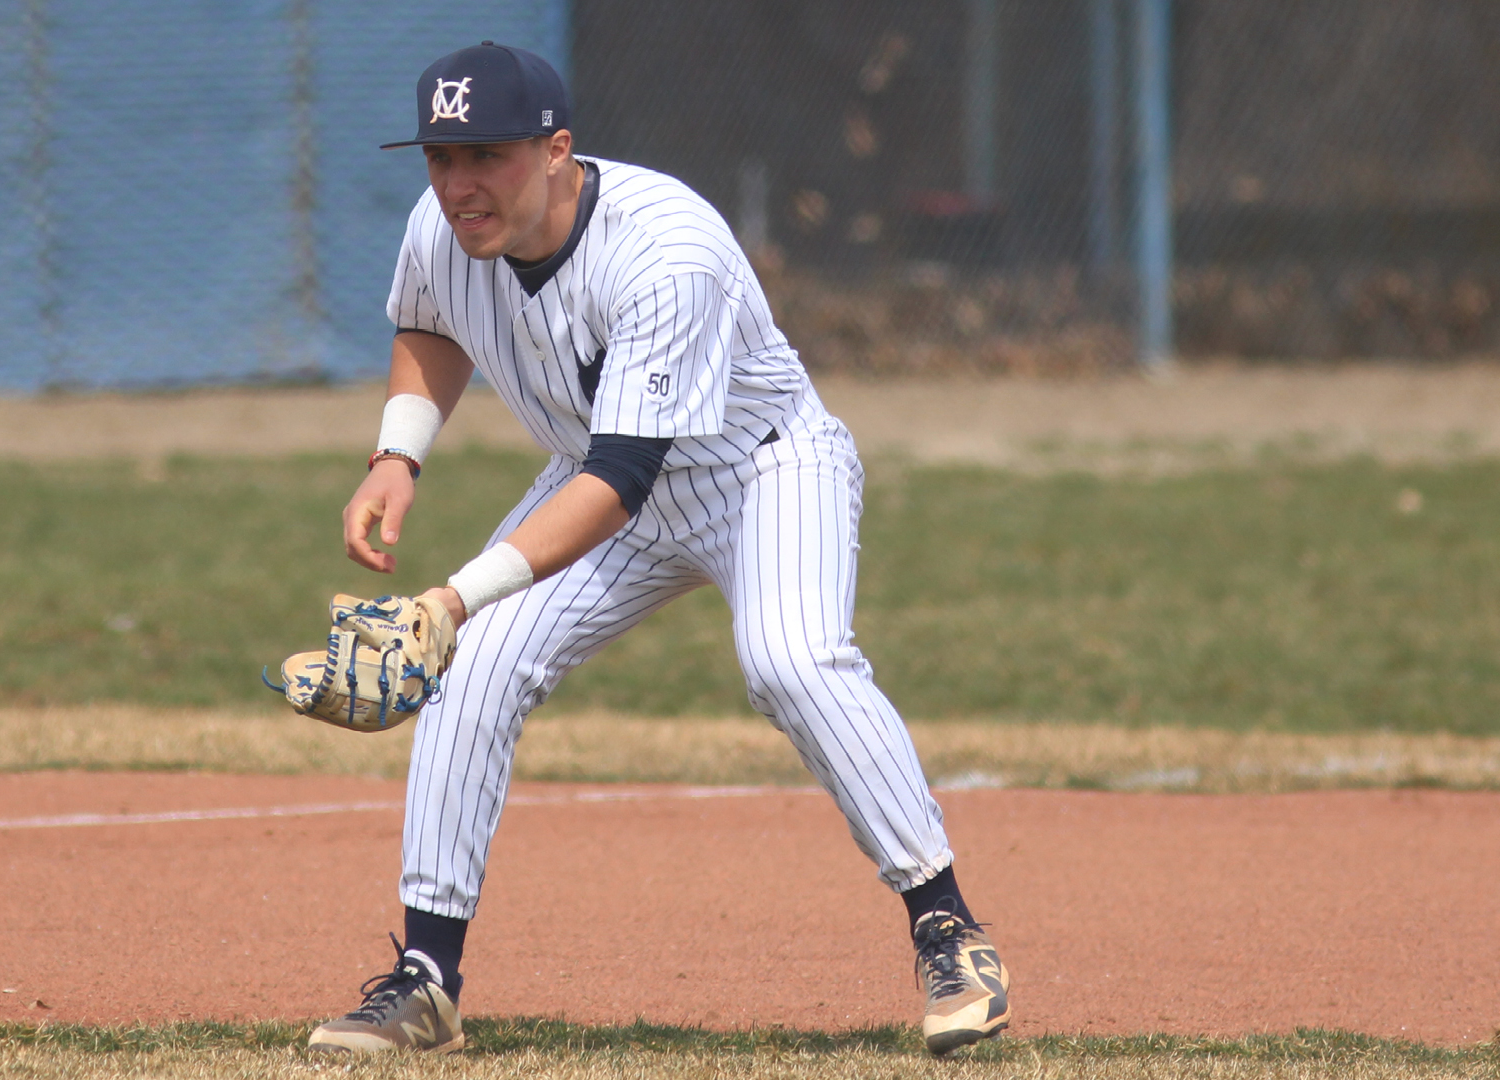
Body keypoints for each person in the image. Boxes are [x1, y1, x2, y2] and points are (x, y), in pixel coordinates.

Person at [308, 41, 1011, 1057]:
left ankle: (948, 928)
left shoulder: (662, 251)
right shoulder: (443, 226)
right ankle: (425, 982)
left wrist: (449, 600)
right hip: (600, 470)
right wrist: (397, 457)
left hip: (759, 470)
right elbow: (434, 325)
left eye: (488, 155)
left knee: (791, 660)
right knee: (473, 672)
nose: (459, 184)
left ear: (556, 149)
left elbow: (619, 486)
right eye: (441, 157)